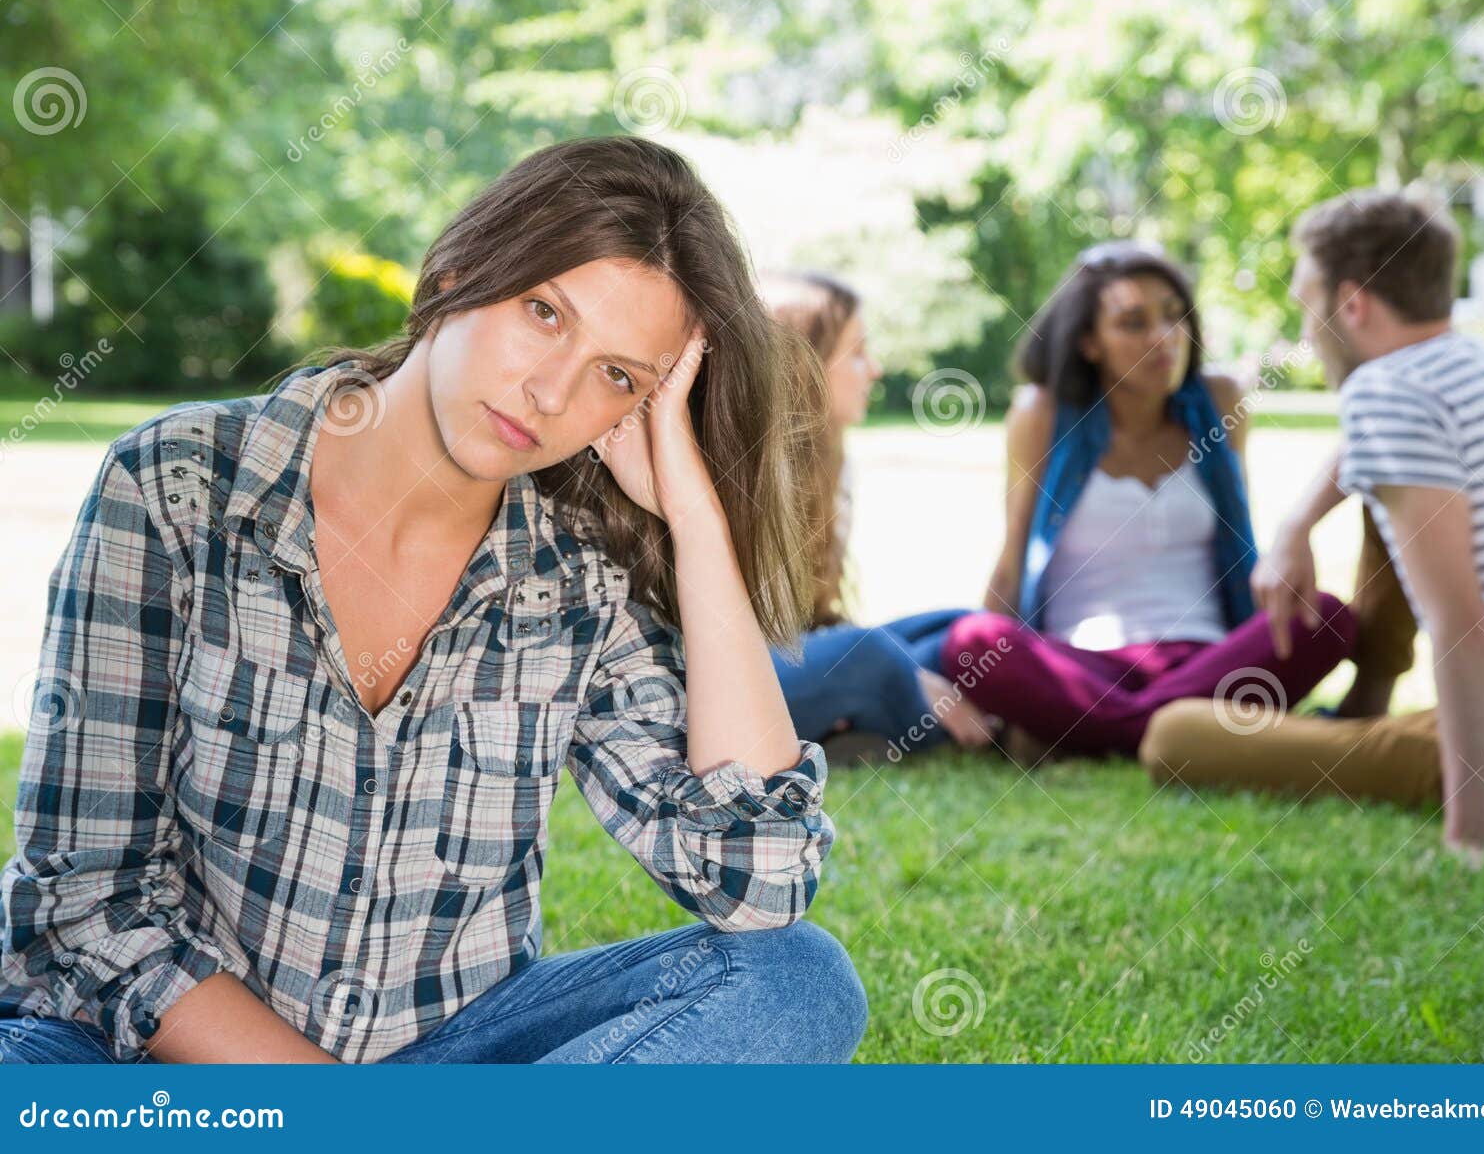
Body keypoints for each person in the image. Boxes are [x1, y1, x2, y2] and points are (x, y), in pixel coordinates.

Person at [0, 136, 867, 1064]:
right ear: (458, 267)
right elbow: (86, 905)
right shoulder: (177, 484)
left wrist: (698, 527)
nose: (549, 389)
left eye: (618, 375)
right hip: (165, 1065)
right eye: (543, 312)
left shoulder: (581, 571)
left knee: (795, 982)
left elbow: (758, 881)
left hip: (447, 1055)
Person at [1141, 189, 1484, 850]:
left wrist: (1471, 838)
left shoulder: (1386, 394)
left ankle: (1364, 727)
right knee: (1390, 491)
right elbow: (1364, 449)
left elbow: (1463, 627)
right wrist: (1296, 524)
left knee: (1175, 735)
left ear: (1352, 304)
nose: (1305, 331)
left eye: (1307, 305)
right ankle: (1365, 709)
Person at [940, 242, 1356, 760]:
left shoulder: (1221, 401)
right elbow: (1011, 566)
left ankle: (1105, 732)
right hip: (1079, 666)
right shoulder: (1042, 414)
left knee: (1328, 616)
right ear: (1089, 343)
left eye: (1173, 315)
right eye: (1133, 323)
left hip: (1206, 659)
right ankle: (1180, 729)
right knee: (972, 640)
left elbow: (1238, 540)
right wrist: (980, 681)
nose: (1165, 337)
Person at [760, 270, 996, 759]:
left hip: (789, 661)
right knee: (869, 654)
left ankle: (854, 723)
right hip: (711, 691)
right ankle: (912, 723)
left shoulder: (829, 465)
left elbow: (808, 625)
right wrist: (895, 667)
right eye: (858, 353)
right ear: (802, 365)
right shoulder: (742, 468)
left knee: (961, 628)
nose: (875, 369)